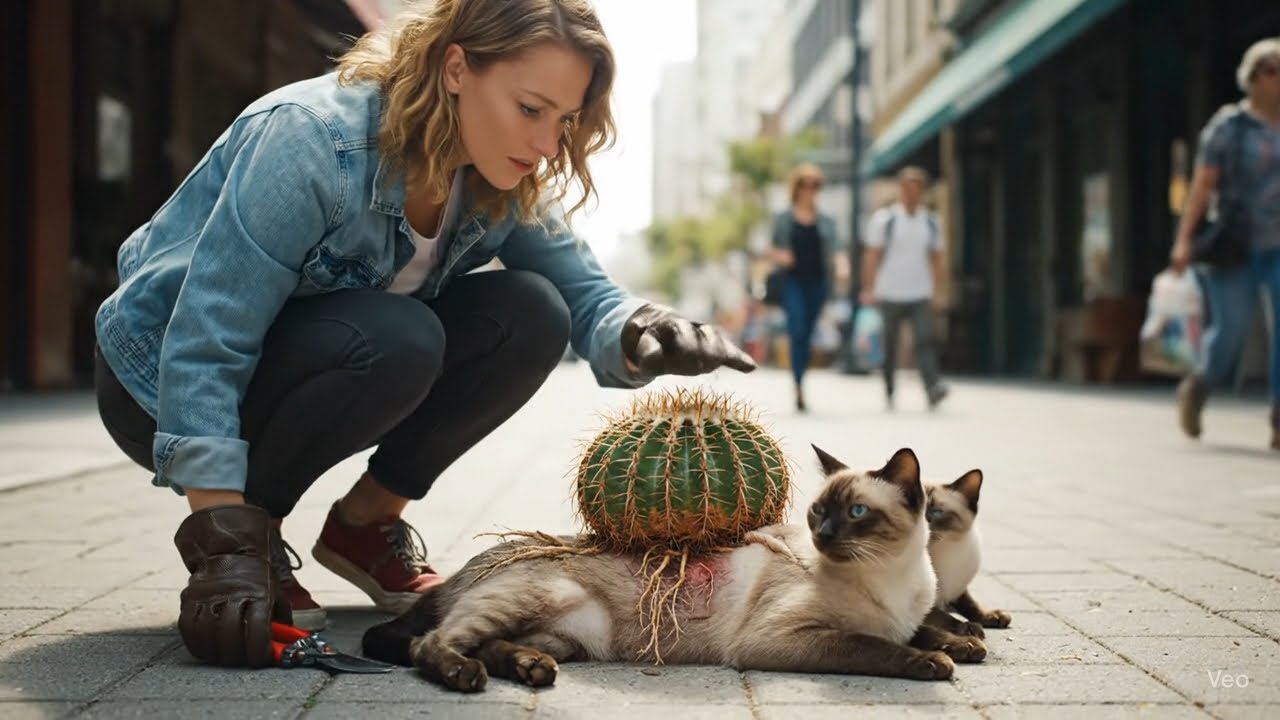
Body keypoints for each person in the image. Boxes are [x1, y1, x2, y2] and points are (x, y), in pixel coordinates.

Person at [92, 0, 756, 669]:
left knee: (531, 312)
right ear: (458, 67)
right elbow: (209, 336)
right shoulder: (312, 141)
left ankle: (365, 526)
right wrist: (222, 548)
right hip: (156, 380)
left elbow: (584, 294)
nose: (549, 144)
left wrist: (647, 331)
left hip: (323, 352)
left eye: (565, 120)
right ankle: (255, 533)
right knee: (400, 335)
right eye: (531, 109)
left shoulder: (500, 171)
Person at [1171, 38, 1280, 451]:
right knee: (1230, 333)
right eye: (1270, 69)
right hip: (1235, 244)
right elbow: (1201, 187)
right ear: (1251, 79)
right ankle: (1199, 386)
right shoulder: (1228, 126)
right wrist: (1184, 241)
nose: (1278, 77)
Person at [860, 166, 949, 411]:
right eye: (907, 188)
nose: (911, 193)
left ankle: (932, 387)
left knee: (924, 340)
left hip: (920, 292)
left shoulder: (931, 222)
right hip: (889, 291)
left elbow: (938, 259)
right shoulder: (885, 220)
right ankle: (889, 387)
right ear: (900, 190)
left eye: (916, 188)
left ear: (921, 191)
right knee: (890, 343)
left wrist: (937, 292)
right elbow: (872, 256)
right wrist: (869, 287)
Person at [768, 164, 848, 412]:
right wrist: (782, 257)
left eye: (815, 185)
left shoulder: (826, 221)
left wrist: (843, 267)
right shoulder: (783, 218)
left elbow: (837, 249)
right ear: (797, 187)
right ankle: (799, 385)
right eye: (805, 184)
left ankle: (800, 377)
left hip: (818, 283)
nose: (810, 189)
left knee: (808, 333)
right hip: (793, 281)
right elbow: (771, 250)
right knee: (798, 330)